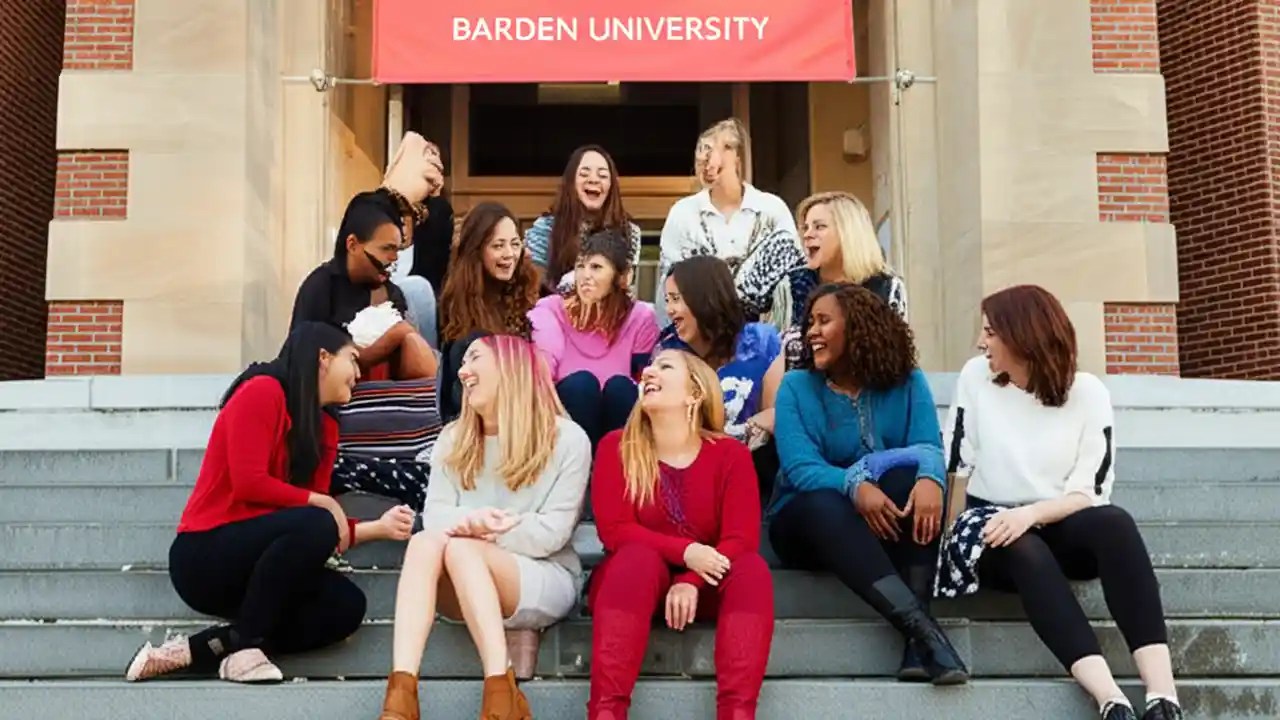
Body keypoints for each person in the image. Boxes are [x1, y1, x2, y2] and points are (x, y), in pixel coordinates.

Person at [938, 285, 1181, 720]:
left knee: (1115, 523)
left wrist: (1030, 513)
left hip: (1055, 519)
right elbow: (955, 464)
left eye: (991, 332)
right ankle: (1111, 700)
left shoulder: (1088, 392)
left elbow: (1090, 492)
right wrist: (946, 544)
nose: (981, 343)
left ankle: (1164, 698)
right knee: (1023, 546)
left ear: (1023, 336)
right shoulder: (976, 377)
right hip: (989, 526)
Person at [124, 323, 415, 683]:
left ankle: (207, 648)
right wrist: (324, 504)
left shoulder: (325, 428)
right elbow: (250, 484)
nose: (359, 373)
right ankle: (245, 649)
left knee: (345, 607)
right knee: (317, 520)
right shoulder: (262, 391)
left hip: (266, 567)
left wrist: (380, 528)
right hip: (205, 555)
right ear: (323, 358)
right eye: (353, 360)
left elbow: (320, 531)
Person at [376, 335, 591, 720]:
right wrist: (471, 524)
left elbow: (552, 533)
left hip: (542, 573)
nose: (461, 371)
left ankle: (498, 690)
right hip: (461, 580)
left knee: (460, 548)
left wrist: (487, 532)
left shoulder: (567, 439)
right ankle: (401, 693)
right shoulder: (454, 438)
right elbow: (437, 514)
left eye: (474, 357)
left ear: (509, 367)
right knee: (426, 542)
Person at [769, 283, 968, 685]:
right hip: (807, 523)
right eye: (810, 322)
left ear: (858, 327)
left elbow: (927, 445)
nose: (811, 331)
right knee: (824, 503)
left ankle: (918, 650)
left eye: (824, 321)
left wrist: (931, 478)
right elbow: (800, 468)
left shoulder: (907, 381)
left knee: (911, 480)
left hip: (878, 525)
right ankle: (920, 628)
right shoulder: (796, 387)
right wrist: (855, 484)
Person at [588, 349, 773, 720]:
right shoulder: (615, 446)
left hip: (705, 588)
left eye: (665, 367)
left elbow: (740, 538)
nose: (649, 372)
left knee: (751, 570)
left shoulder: (730, 455)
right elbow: (615, 531)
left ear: (695, 393)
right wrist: (688, 551)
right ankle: (606, 712)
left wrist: (690, 579)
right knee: (636, 559)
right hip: (630, 587)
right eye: (650, 367)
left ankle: (737, 714)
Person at [656, 118, 804, 329]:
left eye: (723, 148)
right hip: (700, 336)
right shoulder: (683, 213)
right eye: (703, 151)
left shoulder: (771, 209)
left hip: (765, 338)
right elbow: (667, 285)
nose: (708, 159)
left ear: (737, 156)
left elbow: (794, 278)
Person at [529, 228, 659, 449]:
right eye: (580, 266)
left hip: (621, 426)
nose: (585, 275)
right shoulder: (551, 310)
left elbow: (643, 382)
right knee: (582, 384)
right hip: (563, 425)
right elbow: (543, 374)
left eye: (596, 267)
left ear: (622, 276)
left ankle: (620, 468)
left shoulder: (641, 317)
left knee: (620, 387)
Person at [659, 256, 782, 491]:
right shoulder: (669, 352)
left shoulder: (762, 341)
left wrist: (759, 422)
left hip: (754, 468)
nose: (669, 310)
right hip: (690, 473)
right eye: (667, 300)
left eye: (676, 299)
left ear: (703, 298)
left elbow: (777, 414)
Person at [291, 190, 438, 382]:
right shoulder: (320, 288)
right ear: (352, 245)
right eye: (386, 249)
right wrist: (394, 336)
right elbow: (306, 363)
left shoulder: (392, 294)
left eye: (397, 250)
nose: (394, 259)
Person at [779, 191, 907, 370]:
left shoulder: (887, 287)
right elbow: (774, 356)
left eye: (819, 227)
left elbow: (897, 355)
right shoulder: (792, 285)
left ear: (848, 232)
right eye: (805, 227)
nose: (807, 235)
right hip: (804, 391)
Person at [437, 202, 541, 421]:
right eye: (498, 246)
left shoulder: (531, 294)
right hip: (476, 419)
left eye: (515, 244)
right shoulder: (458, 305)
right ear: (477, 250)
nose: (509, 254)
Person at [524, 145, 642, 295]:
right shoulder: (546, 228)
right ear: (571, 183)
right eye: (584, 174)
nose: (593, 180)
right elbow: (534, 287)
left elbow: (625, 290)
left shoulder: (629, 233)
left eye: (603, 176)